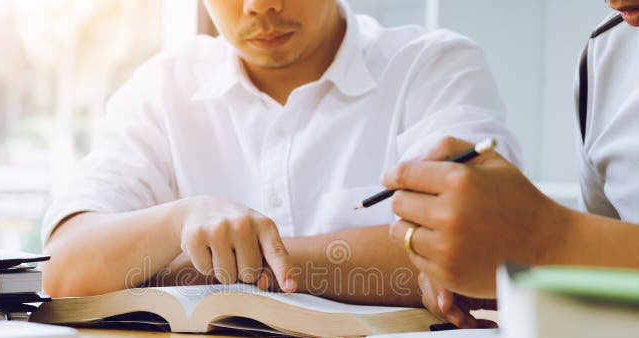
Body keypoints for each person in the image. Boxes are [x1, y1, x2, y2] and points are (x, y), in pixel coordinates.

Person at [41, 0, 521, 307]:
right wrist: (179, 222)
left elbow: (481, 247)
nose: (260, 6)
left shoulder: (431, 67)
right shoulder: (163, 89)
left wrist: (213, 266)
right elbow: (64, 269)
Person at [385, 0, 639, 326]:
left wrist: (553, 243)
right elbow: (609, 278)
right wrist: (521, 270)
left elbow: (579, 250)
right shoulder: (604, 57)